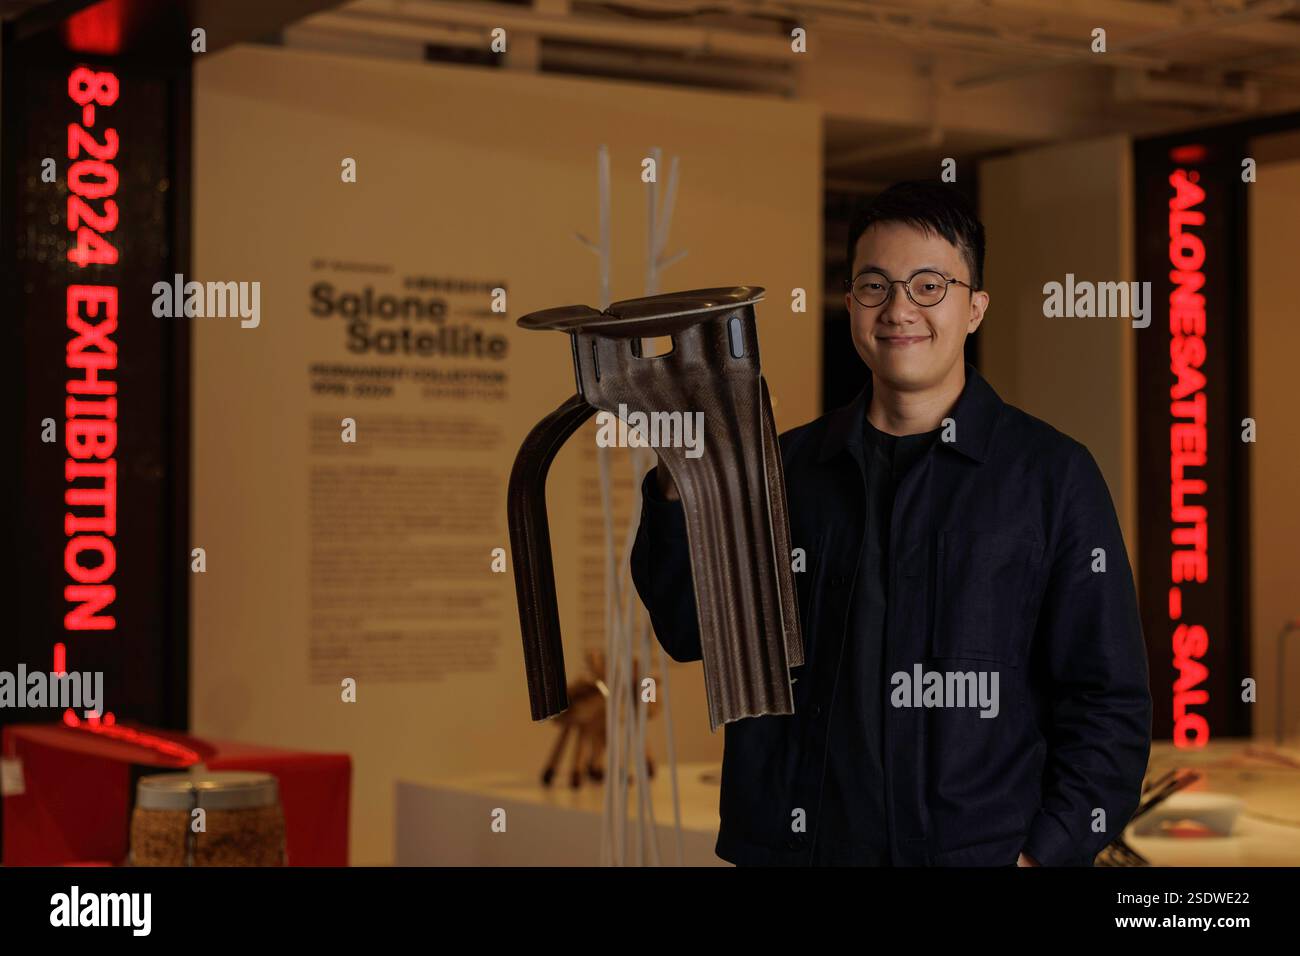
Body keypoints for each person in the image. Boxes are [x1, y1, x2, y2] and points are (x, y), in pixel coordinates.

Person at [629, 180, 1152, 866]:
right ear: (851, 305)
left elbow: (1107, 701)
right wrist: (680, 468)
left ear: (976, 308)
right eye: (875, 286)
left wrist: (1042, 857)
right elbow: (691, 628)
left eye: (929, 285)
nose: (900, 309)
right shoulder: (783, 471)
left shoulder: (1051, 478)